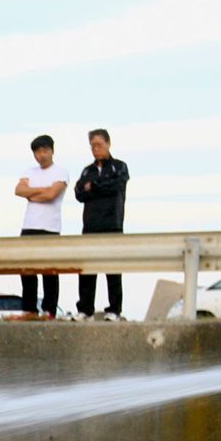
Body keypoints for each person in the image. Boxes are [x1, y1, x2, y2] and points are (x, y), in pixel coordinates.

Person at [74, 129, 130, 319]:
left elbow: (115, 185)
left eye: (99, 145)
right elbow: (79, 193)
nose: (95, 149)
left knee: (112, 269)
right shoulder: (87, 170)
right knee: (87, 269)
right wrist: (92, 187)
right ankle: (85, 309)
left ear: (108, 144)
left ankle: (114, 309)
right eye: (92, 146)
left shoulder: (119, 166)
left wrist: (94, 186)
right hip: (90, 225)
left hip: (112, 224)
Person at [14, 135, 70, 319]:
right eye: (38, 151)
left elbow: (51, 195)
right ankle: (30, 309)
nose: (42, 155)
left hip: (50, 227)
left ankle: (49, 310)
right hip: (29, 225)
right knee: (26, 269)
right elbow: (19, 190)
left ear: (52, 151)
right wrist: (41, 190)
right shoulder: (29, 171)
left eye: (45, 150)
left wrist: (32, 194)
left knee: (49, 270)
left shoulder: (61, 171)